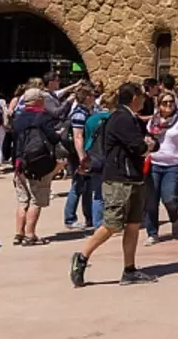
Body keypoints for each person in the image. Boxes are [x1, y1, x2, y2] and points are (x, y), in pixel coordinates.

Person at [71, 82, 159, 287]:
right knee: (112, 224)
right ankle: (82, 257)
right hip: (120, 179)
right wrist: (147, 144)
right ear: (134, 98)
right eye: (142, 96)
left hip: (134, 177)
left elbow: (151, 142)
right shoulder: (121, 119)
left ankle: (129, 269)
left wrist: (149, 144)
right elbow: (139, 145)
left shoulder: (132, 118)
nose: (145, 100)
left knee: (134, 225)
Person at [143, 91, 178, 244]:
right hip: (154, 164)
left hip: (173, 165)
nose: (169, 105)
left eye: (171, 102)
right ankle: (152, 233)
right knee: (151, 201)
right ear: (159, 105)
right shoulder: (153, 121)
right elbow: (147, 139)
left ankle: (174, 217)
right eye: (165, 103)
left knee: (169, 198)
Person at [12, 87, 60, 246]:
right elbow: (53, 138)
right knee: (36, 200)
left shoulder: (18, 118)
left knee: (22, 200)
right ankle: (30, 234)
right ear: (39, 100)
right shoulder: (43, 117)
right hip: (38, 164)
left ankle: (18, 233)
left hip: (20, 163)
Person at [83, 87, 116, 237]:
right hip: (110, 158)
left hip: (94, 157)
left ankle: (97, 224)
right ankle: (109, 224)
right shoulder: (114, 119)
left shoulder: (91, 119)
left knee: (97, 193)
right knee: (111, 193)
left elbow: (87, 137)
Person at [64, 85, 97, 231]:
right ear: (87, 97)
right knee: (77, 186)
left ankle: (89, 217)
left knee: (88, 187)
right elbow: (78, 137)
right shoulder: (79, 114)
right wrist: (82, 158)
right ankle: (70, 218)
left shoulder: (86, 111)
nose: (95, 98)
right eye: (93, 95)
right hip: (78, 155)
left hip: (85, 154)